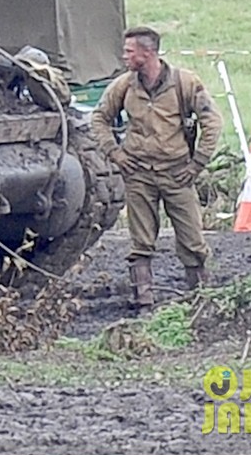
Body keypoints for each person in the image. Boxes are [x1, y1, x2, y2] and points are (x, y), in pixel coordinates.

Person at [89, 26, 223, 309]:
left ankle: (200, 297)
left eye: (129, 51)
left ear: (147, 53)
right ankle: (143, 300)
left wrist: (197, 162)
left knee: (192, 239)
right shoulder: (124, 85)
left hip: (177, 173)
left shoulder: (185, 83)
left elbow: (213, 122)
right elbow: (99, 118)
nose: (124, 56)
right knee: (140, 242)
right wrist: (116, 153)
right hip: (138, 174)